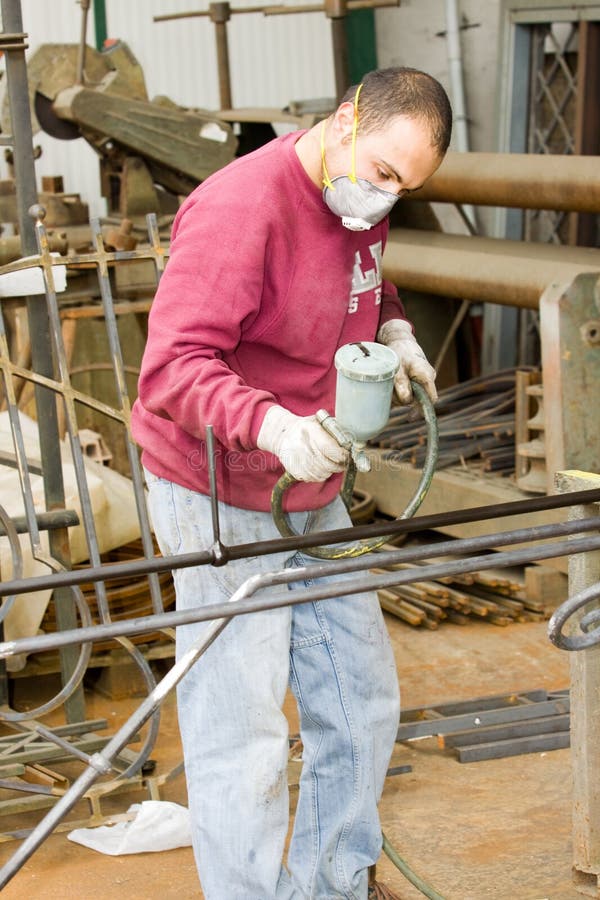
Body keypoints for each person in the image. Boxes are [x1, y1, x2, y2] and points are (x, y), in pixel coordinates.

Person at [131, 66, 452, 899]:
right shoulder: (243, 207)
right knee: (242, 731)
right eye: (383, 172)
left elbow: (364, 278)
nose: (385, 197)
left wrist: (396, 328)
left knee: (361, 701)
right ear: (345, 119)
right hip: (218, 486)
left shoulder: (356, 202)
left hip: (310, 481)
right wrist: (272, 424)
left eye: (406, 188)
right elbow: (170, 368)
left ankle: (333, 885)